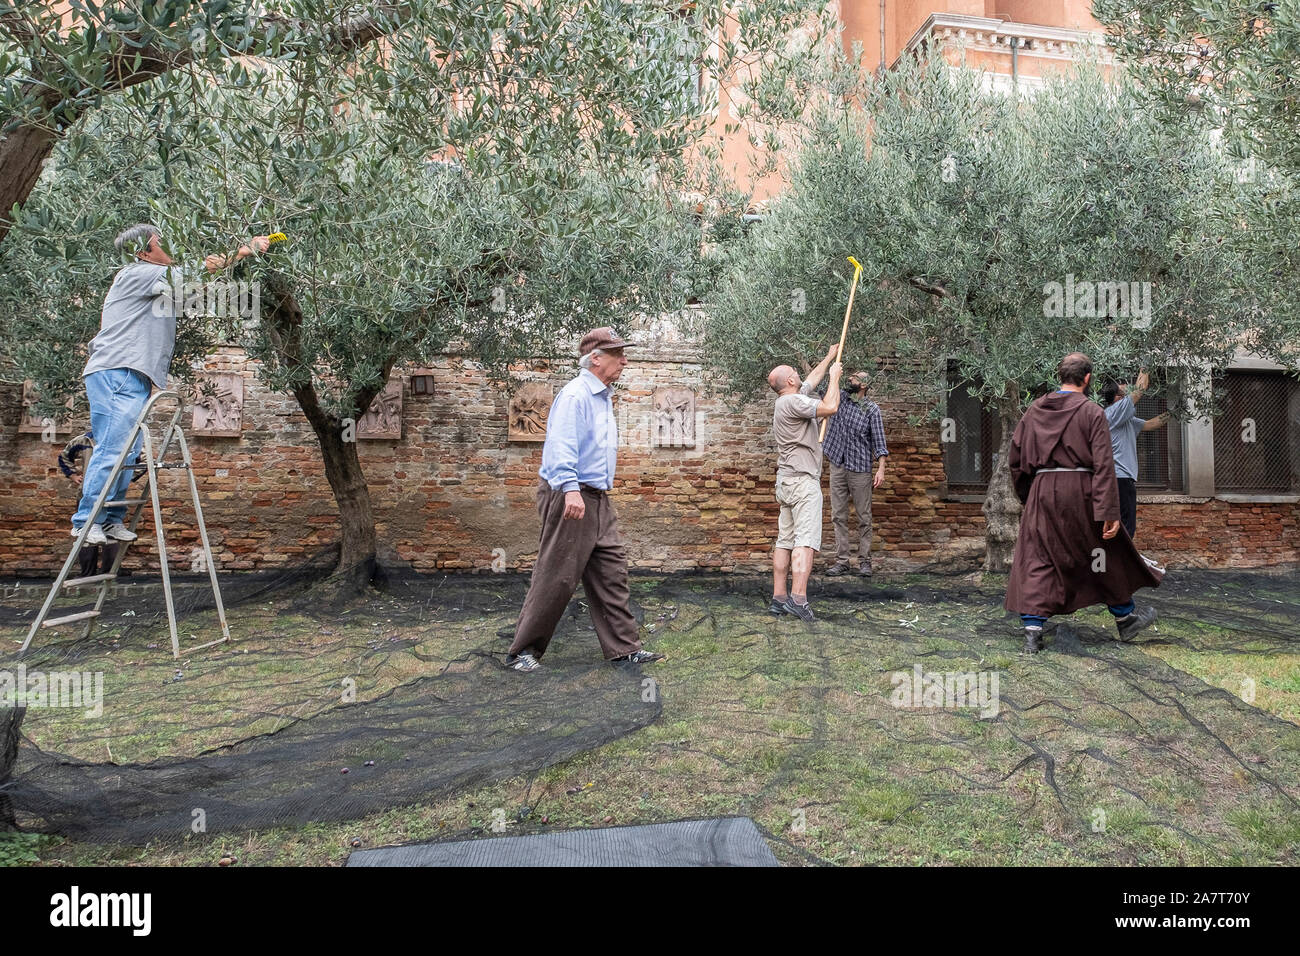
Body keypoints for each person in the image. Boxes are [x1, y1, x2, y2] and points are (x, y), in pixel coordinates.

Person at [72, 224, 268, 546]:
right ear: (144, 252)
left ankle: (109, 520)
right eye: (162, 242)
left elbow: (197, 287)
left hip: (133, 377)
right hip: (115, 372)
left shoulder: (155, 282)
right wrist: (245, 249)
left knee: (130, 452)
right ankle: (85, 522)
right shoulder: (140, 273)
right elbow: (196, 270)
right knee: (112, 450)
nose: (170, 245)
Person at [504, 327, 664, 673]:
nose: (624, 360)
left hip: (596, 497)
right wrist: (571, 490)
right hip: (570, 493)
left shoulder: (601, 396)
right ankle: (522, 651)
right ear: (595, 358)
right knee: (557, 574)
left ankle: (623, 648)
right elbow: (561, 445)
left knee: (611, 569)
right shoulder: (576, 395)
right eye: (617, 354)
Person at [1005, 352, 1164, 654]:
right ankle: (1126, 617)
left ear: (1060, 376)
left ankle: (1032, 631)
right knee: (1103, 552)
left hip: (1042, 489)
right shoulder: (1092, 413)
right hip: (1081, 491)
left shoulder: (1034, 410)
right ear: (1087, 379)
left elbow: (1016, 460)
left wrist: (1031, 496)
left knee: (1038, 555)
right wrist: (1109, 511)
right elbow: (1104, 464)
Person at [765, 345, 842, 622]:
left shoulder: (788, 400)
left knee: (784, 541)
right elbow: (830, 406)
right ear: (788, 381)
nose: (799, 375)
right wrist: (835, 377)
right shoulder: (793, 403)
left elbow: (811, 380)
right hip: (802, 484)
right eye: (795, 373)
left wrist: (829, 358)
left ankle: (779, 599)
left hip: (786, 482)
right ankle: (798, 599)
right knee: (805, 541)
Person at [821, 369, 888, 577]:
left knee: (864, 517)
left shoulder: (871, 409)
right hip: (837, 464)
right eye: (851, 376)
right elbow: (822, 388)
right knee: (838, 516)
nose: (851, 379)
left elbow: (879, 442)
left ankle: (865, 562)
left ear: (864, 386)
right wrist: (834, 372)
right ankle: (842, 561)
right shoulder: (839, 399)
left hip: (860, 468)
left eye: (856, 378)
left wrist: (881, 469)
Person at [1101, 369, 1171, 539]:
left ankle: (1122, 561)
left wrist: (1174, 412)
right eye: (1123, 393)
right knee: (1124, 527)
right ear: (1115, 399)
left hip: (1123, 478)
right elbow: (1141, 389)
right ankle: (1123, 562)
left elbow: (1150, 424)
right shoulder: (1113, 413)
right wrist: (1146, 364)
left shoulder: (1125, 420)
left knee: (1125, 525)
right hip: (1118, 478)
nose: (1127, 396)